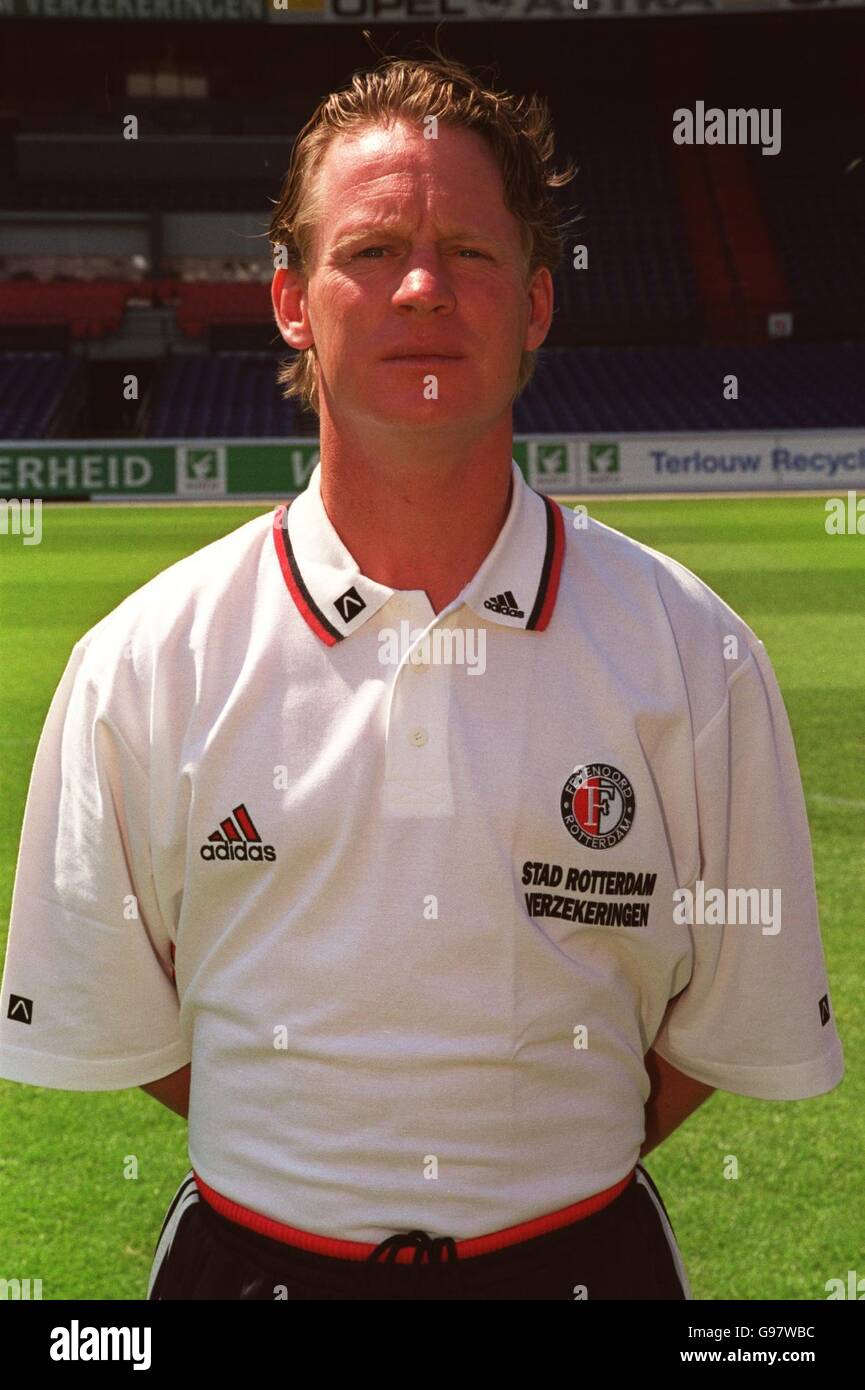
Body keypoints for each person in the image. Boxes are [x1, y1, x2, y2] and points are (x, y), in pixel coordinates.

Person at [0, 50, 844, 1302]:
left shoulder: (694, 650)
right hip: (246, 1269)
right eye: (369, 249)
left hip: (584, 1264)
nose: (420, 287)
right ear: (289, 300)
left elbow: (720, 1027)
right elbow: (138, 1032)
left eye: (470, 253)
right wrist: (320, 1174)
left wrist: (521, 1179)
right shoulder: (141, 659)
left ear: (538, 304)